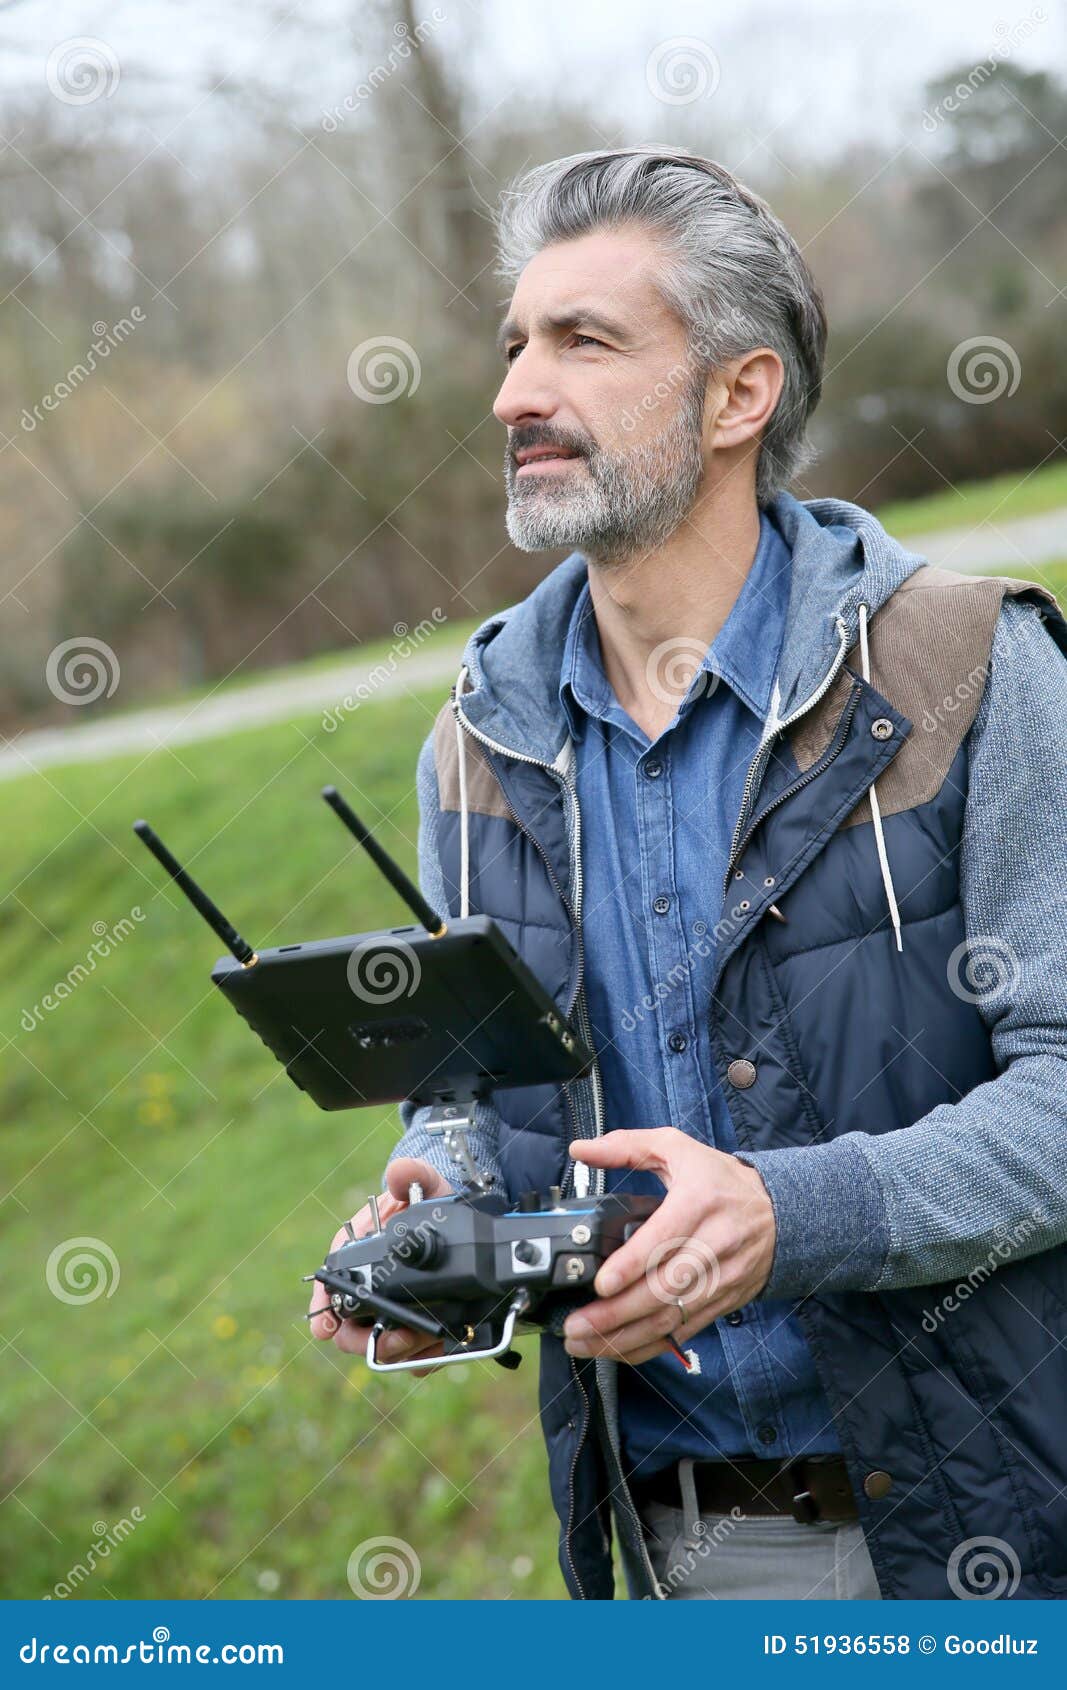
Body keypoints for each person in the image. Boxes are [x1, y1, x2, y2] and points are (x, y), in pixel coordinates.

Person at [310, 147, 1067, 1602]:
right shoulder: (475, 742)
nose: (515, 394)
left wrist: (793, 1216)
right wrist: (441, 1207)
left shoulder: (969, 667)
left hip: (1000, 1523)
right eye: (515, 345)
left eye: (584, 341)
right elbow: (475, 1093)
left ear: (740, 396)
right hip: (698, 1543)